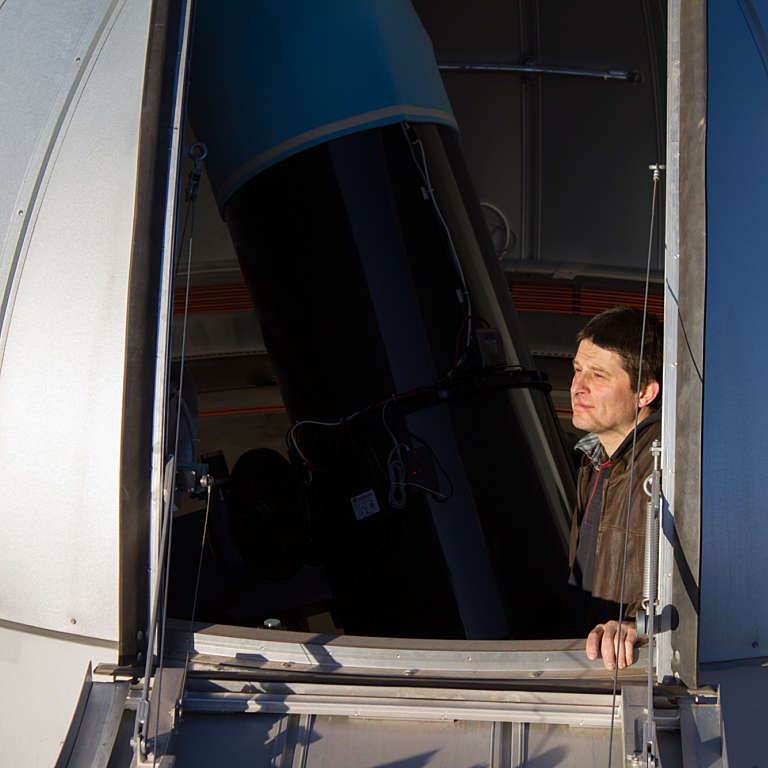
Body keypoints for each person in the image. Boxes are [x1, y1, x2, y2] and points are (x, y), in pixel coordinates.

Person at [567, 306, 662, 671]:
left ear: (645, 392)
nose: (577, 386)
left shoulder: (669, 470)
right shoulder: (592, 460)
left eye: (598, 375)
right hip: (585, 665)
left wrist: (639, 628)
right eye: (577, 369)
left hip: (628, 671)